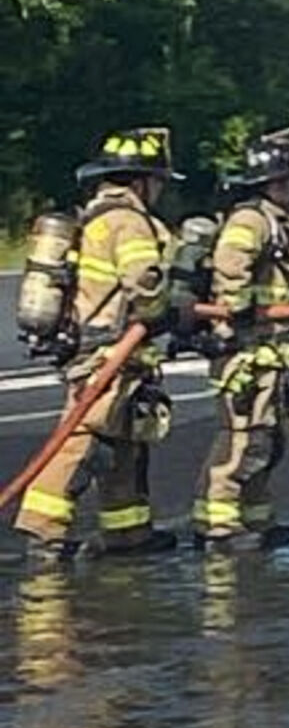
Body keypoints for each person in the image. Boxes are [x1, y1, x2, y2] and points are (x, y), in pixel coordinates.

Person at [13, 128, 183, 560]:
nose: (160, 190)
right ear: (141, 180)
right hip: (109, 351)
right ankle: (43, 533)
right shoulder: (128, 221)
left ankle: (129, 534)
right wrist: (170, 308)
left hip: (107, 347)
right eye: (158, 181)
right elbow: (145, 284)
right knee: (84, 441)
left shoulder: (95, 215)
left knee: (124, 444)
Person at [192, 128, 289, 551]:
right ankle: (218, 526)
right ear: (270, 183)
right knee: (242, 438)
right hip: (247, 354)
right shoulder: (250, 220)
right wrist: (234, 315)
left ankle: (257, 522)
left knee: (268, 440)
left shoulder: (286, 222)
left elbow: (279, 282)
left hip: (276, 353)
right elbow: (231, 271)